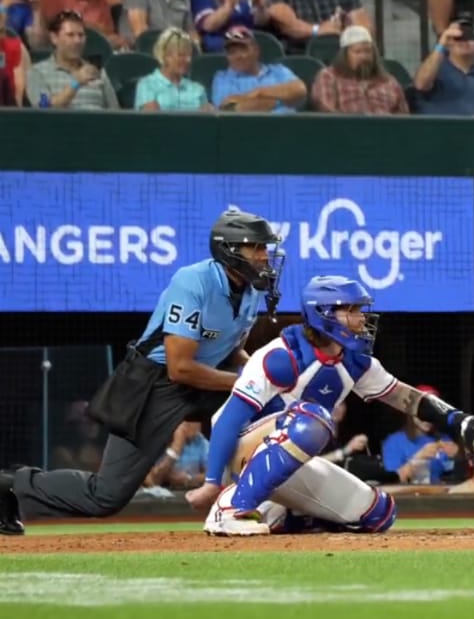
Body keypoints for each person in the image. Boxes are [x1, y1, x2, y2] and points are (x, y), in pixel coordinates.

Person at [1, 208, 283, 535]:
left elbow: (230, 348)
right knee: (105, 496)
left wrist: (257, 373)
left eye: (265, 248)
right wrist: (246, 383)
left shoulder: (252, 290)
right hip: (154, 383)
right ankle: (9, 485)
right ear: (230, 250)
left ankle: (272, 505)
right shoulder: (193, 281)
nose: (265, 256)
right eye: (257, 247)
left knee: (277, 408)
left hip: (205, 377)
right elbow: (179, 368)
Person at [190, 276, 474, 535]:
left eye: (359, 310)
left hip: (292, 457)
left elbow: (407, 398)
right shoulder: (282, 357)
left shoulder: (355, 363)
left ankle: (283, 514)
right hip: (241, 450)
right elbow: (228, 420)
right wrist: (212, 481)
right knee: (313, 420)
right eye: (350, 310)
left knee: (378, 514)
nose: (361, 319)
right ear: (323, 315)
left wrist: (459, 421)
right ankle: (230, 508)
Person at [381, 385, 461, 485]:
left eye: (432, 413)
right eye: (422, 412)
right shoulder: (394, 442)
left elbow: (451, 472)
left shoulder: (443, 439)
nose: (427, 418)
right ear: (411, 412)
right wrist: (420, 457)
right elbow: (391, 480)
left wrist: (457, 457)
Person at [135, 27, 211, 111]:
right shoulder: (147, 85)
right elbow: (147, 122)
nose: (188, 60)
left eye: (190, 55)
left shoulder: (198, 90)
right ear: (165, 55)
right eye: (181, 55)